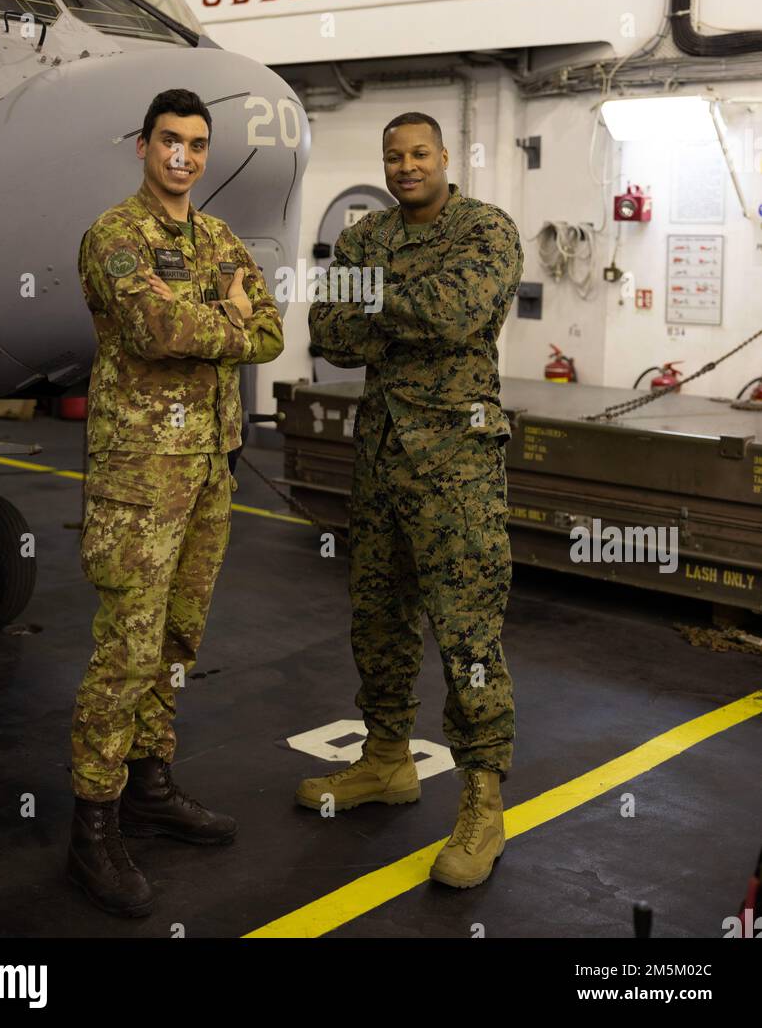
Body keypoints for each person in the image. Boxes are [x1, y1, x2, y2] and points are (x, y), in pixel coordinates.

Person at [67, 87, 283, 917]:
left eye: (196, 142)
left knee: (177, 638)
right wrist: (218, 314)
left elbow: (269, 333)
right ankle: (91, 825)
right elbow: (157, 333)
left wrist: (217, 320)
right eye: (168, 140)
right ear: (143, 146)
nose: (182, 156)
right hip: (139, 478)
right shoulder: (116, 237)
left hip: (207, 473)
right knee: (124, 649)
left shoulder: (220, 236)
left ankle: (148, 787)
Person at [298, 112, 523, 889]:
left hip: (457, 461)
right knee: (378, 616)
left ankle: (484, 801)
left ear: (444, 157)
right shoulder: (364, 238)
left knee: (468, 635)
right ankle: (386, 761)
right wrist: (406, 308)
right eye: (393, 156)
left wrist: (378, 307)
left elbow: (461, 310)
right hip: (382, 458)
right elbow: (327, 332)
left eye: (419, 153)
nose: (405, 167)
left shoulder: (485, 230)